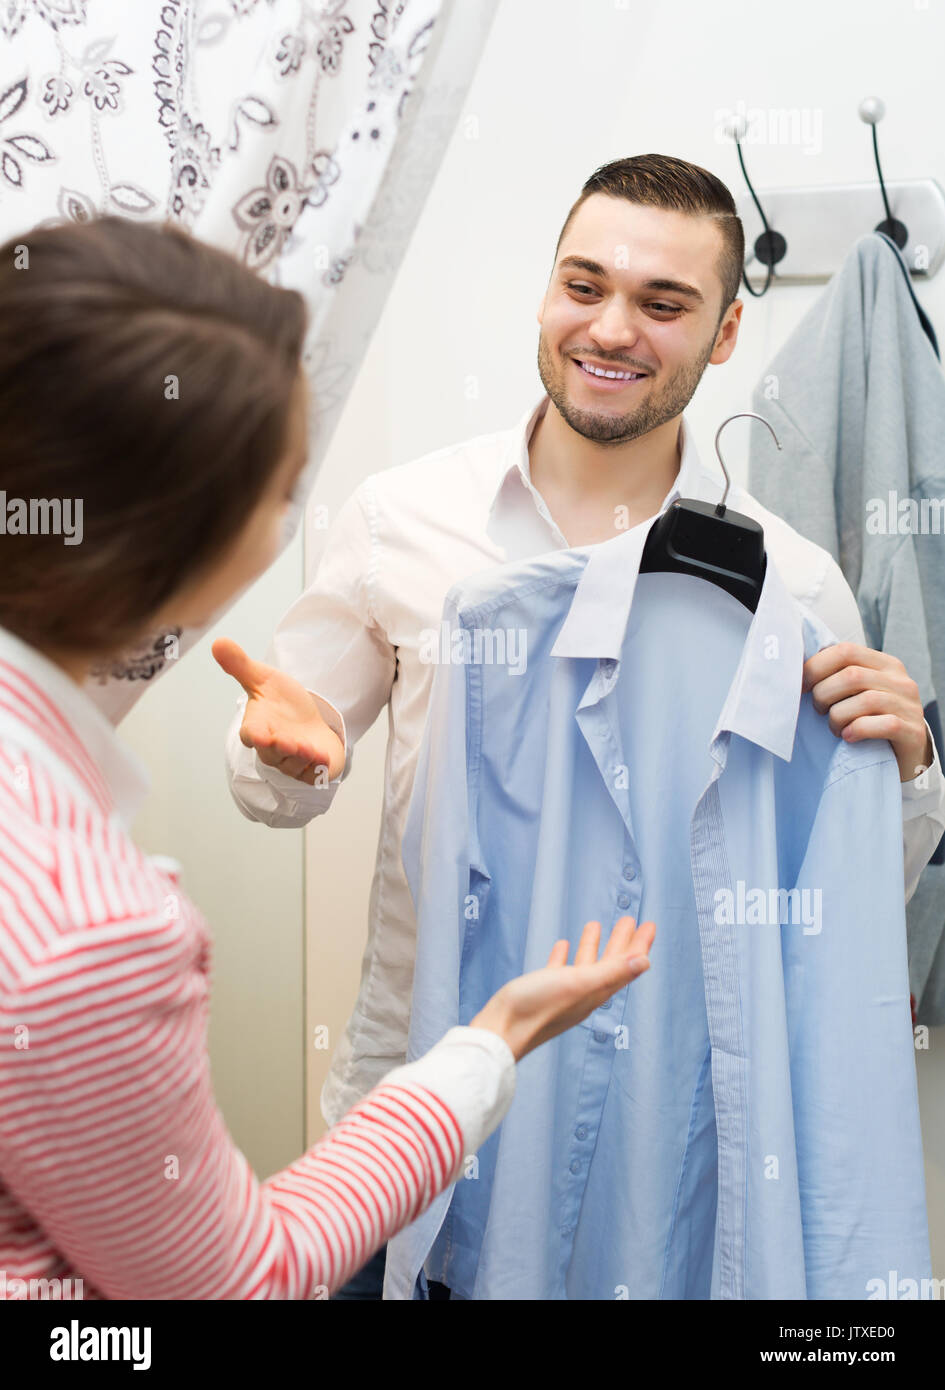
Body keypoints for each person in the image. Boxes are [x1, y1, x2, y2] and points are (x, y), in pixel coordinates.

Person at [216, 152, 945, 1299]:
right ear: (547, 290)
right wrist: (283, 752)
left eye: (663, 303)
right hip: (406, 1123)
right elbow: (281, 780)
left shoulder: (791, 587)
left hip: (661, 1172)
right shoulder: (402, 521)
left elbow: (832, 893)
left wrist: (906, 767)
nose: (610, 328)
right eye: (583, 284)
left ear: (725, 333)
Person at [0, 214, 656, 1301]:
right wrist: (487, 1041)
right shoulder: (91, 931)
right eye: (285, 485)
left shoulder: (786, 579)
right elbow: (233, 1284)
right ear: (200, 538)